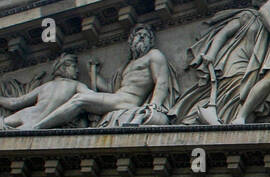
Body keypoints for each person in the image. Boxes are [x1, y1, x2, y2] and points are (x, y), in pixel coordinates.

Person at [34, 24, 178, 128]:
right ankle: (41, 124)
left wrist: (154, 105)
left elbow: (161, 82)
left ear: (150, 42)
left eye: (145, 36)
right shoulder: (127, 65)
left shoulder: (154, 55)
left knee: (79, 99)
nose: (141, 37)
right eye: (138, 35)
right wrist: (94, 74)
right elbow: (110, 88)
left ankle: (38, 126)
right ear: (131, 40)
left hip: (129, 101)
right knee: (80, 99)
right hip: (117, 98)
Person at [0, 54, 91, 129]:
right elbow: (92, 97)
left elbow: (14, 103)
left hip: (27, 114)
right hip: (37, 121)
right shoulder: (76, 85)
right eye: (74, 67)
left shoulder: (44, 86)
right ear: (63, 68)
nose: (78, 71)